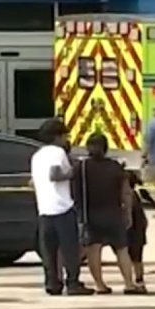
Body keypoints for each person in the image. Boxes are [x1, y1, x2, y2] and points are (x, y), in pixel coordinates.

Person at [73, 133, 146, 295]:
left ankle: (100, 285)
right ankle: (129, 283)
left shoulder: (81, 167)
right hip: (113, 214)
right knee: (121, 249)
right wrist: (127, 213)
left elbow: (74, 191)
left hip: (90, 215)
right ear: (106, 148)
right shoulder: (115, 167)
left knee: (94, 250)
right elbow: (126, 193)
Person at [30, 118, 93, 296]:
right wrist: (73, 171)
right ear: (57, 136)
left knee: (49, 251)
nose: (66, 139)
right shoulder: (57, 152)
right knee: (70, 249)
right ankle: (73, 283)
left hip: (44, 209)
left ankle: (52, 283)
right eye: (65, 136)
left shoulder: (37, 156)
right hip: (62, 208)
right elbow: (55, 174)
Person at [124, 168, 149, 289]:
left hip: (132, 231)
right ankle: (139, 279)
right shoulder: (135, 195)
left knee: (130, 257)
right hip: (139, 231)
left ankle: (136, 280)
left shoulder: (129, 196)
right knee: (137, 258)